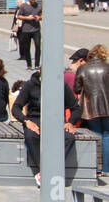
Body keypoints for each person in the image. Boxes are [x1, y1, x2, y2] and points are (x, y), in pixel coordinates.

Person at [11, 68, 81, 186]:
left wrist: (70, 122)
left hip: (56, 122)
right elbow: (16, 108)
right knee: (31, 136)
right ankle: (42, 169)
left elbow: (76, 108)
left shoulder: (61, 85)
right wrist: (26, 121)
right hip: (35, 120)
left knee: (68, 137)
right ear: (40, 73)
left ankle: (51, 168)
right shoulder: (30, 85)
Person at [73, 44, 109, 173]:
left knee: (96, 134)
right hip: (107, 108)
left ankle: (96, 168)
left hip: (90, 108)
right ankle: (106, 169)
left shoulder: (83, 69)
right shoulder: (107, 68)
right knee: (107, 136)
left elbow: (76, 89)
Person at [13, 0, 42, 70]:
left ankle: (37, 64)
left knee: (38, 46)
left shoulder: (38, 6)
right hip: (26, 30)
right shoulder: (23, 6)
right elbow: (18, 16)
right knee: (27, 47)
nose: (33, 0)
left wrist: (39, 17)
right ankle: (29, 64)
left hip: (36, 29)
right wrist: (27, 18)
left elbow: (42, 15)